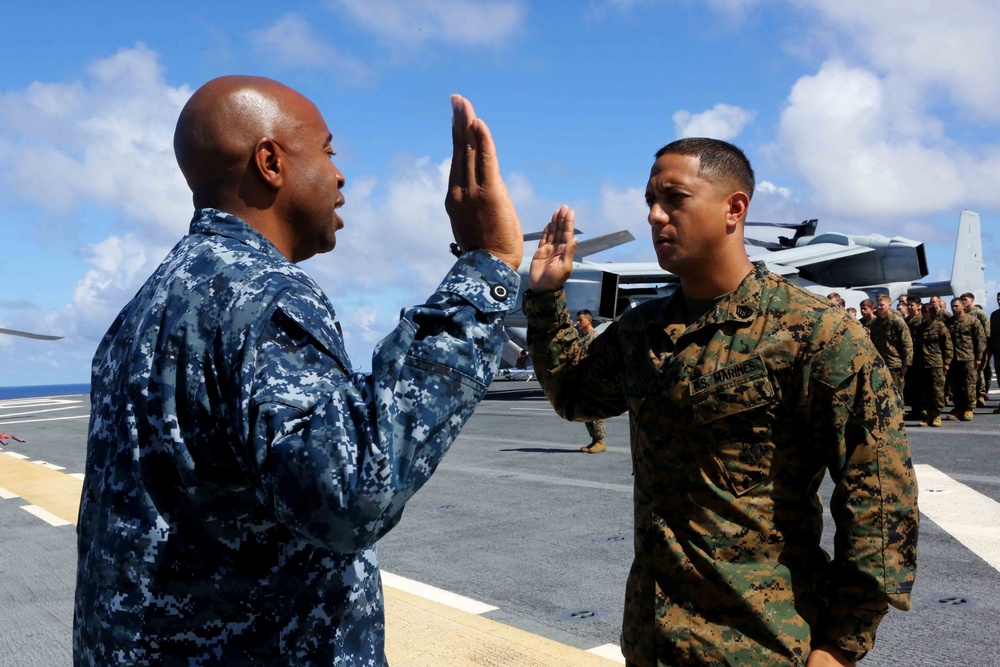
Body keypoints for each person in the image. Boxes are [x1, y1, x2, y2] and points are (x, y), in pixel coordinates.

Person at [73, 76, 523, 665]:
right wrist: (483, 272)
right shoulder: (261, 298)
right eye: (329, 151)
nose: (340, 176)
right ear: (270, 163)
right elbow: (350, 492)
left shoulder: (150, 303)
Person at [524, 138, 917, 666]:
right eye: (649, 202)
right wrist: (547, 300)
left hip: (762, 646)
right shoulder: (641, 330)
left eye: (675, 198)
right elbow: (575, 397)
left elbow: (881, 493)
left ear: (734, 208)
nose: (655, 216)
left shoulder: (814, 333)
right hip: (652, 641)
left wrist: (841, 648)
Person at [914, 303, 953, 427]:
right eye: (923, 312)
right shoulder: (920, 328)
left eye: (926, 312)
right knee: (925, 391)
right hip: (922, 363)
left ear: (932, 313)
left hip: (936, 363)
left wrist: (947, 362)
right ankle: (929, 415)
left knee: (937, 391)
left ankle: (936, 415)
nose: (924, 315)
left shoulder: (940, 326)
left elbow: (947, 346)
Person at [946, 298, 985, 421]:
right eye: (952, 306)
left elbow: (980, 340)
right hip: (953, 358)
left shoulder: (973, 321)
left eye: (956, 306)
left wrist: (979, 357)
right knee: (955, 384)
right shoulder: (949, 322)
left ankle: (969, 408)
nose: (954, 308)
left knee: (969, 384)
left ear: (963, 306)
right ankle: (958, 408)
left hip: (968, 357)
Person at [869, 293, 913, 400]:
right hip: (879, 363)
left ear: (889, 305)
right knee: (881, 392)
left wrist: (906, 364)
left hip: (894, 363)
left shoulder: (897, 321)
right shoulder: (875, 323)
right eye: (878, 305)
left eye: (882, 305)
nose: (879, 307)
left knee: (896, 392)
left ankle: (898, 414)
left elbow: (906, 343)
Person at [575, 309, 606, 453]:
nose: (578, 323)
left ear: (589, 320)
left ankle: (600, 441)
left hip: (595, 380)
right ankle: (593, 439)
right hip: (583, 381)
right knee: (586, 411)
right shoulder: (581, 340)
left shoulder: (597, 338)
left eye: (580, 320)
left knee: (595, 411)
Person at [959, 293, 991, 406]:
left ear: (972, 300)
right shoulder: (963, 315)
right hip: (966, 350)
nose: (964, 302)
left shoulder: (980, 314)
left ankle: (981, 394)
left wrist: (985, 350)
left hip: (979, 348)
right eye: (962, 300)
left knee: (979, 371)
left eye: (965, 299)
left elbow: (987, 333)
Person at [991, 291, 1000, 413]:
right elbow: (992, 334)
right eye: (998, 299)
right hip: (998, 352)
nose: (999, 301)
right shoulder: (994, 315)